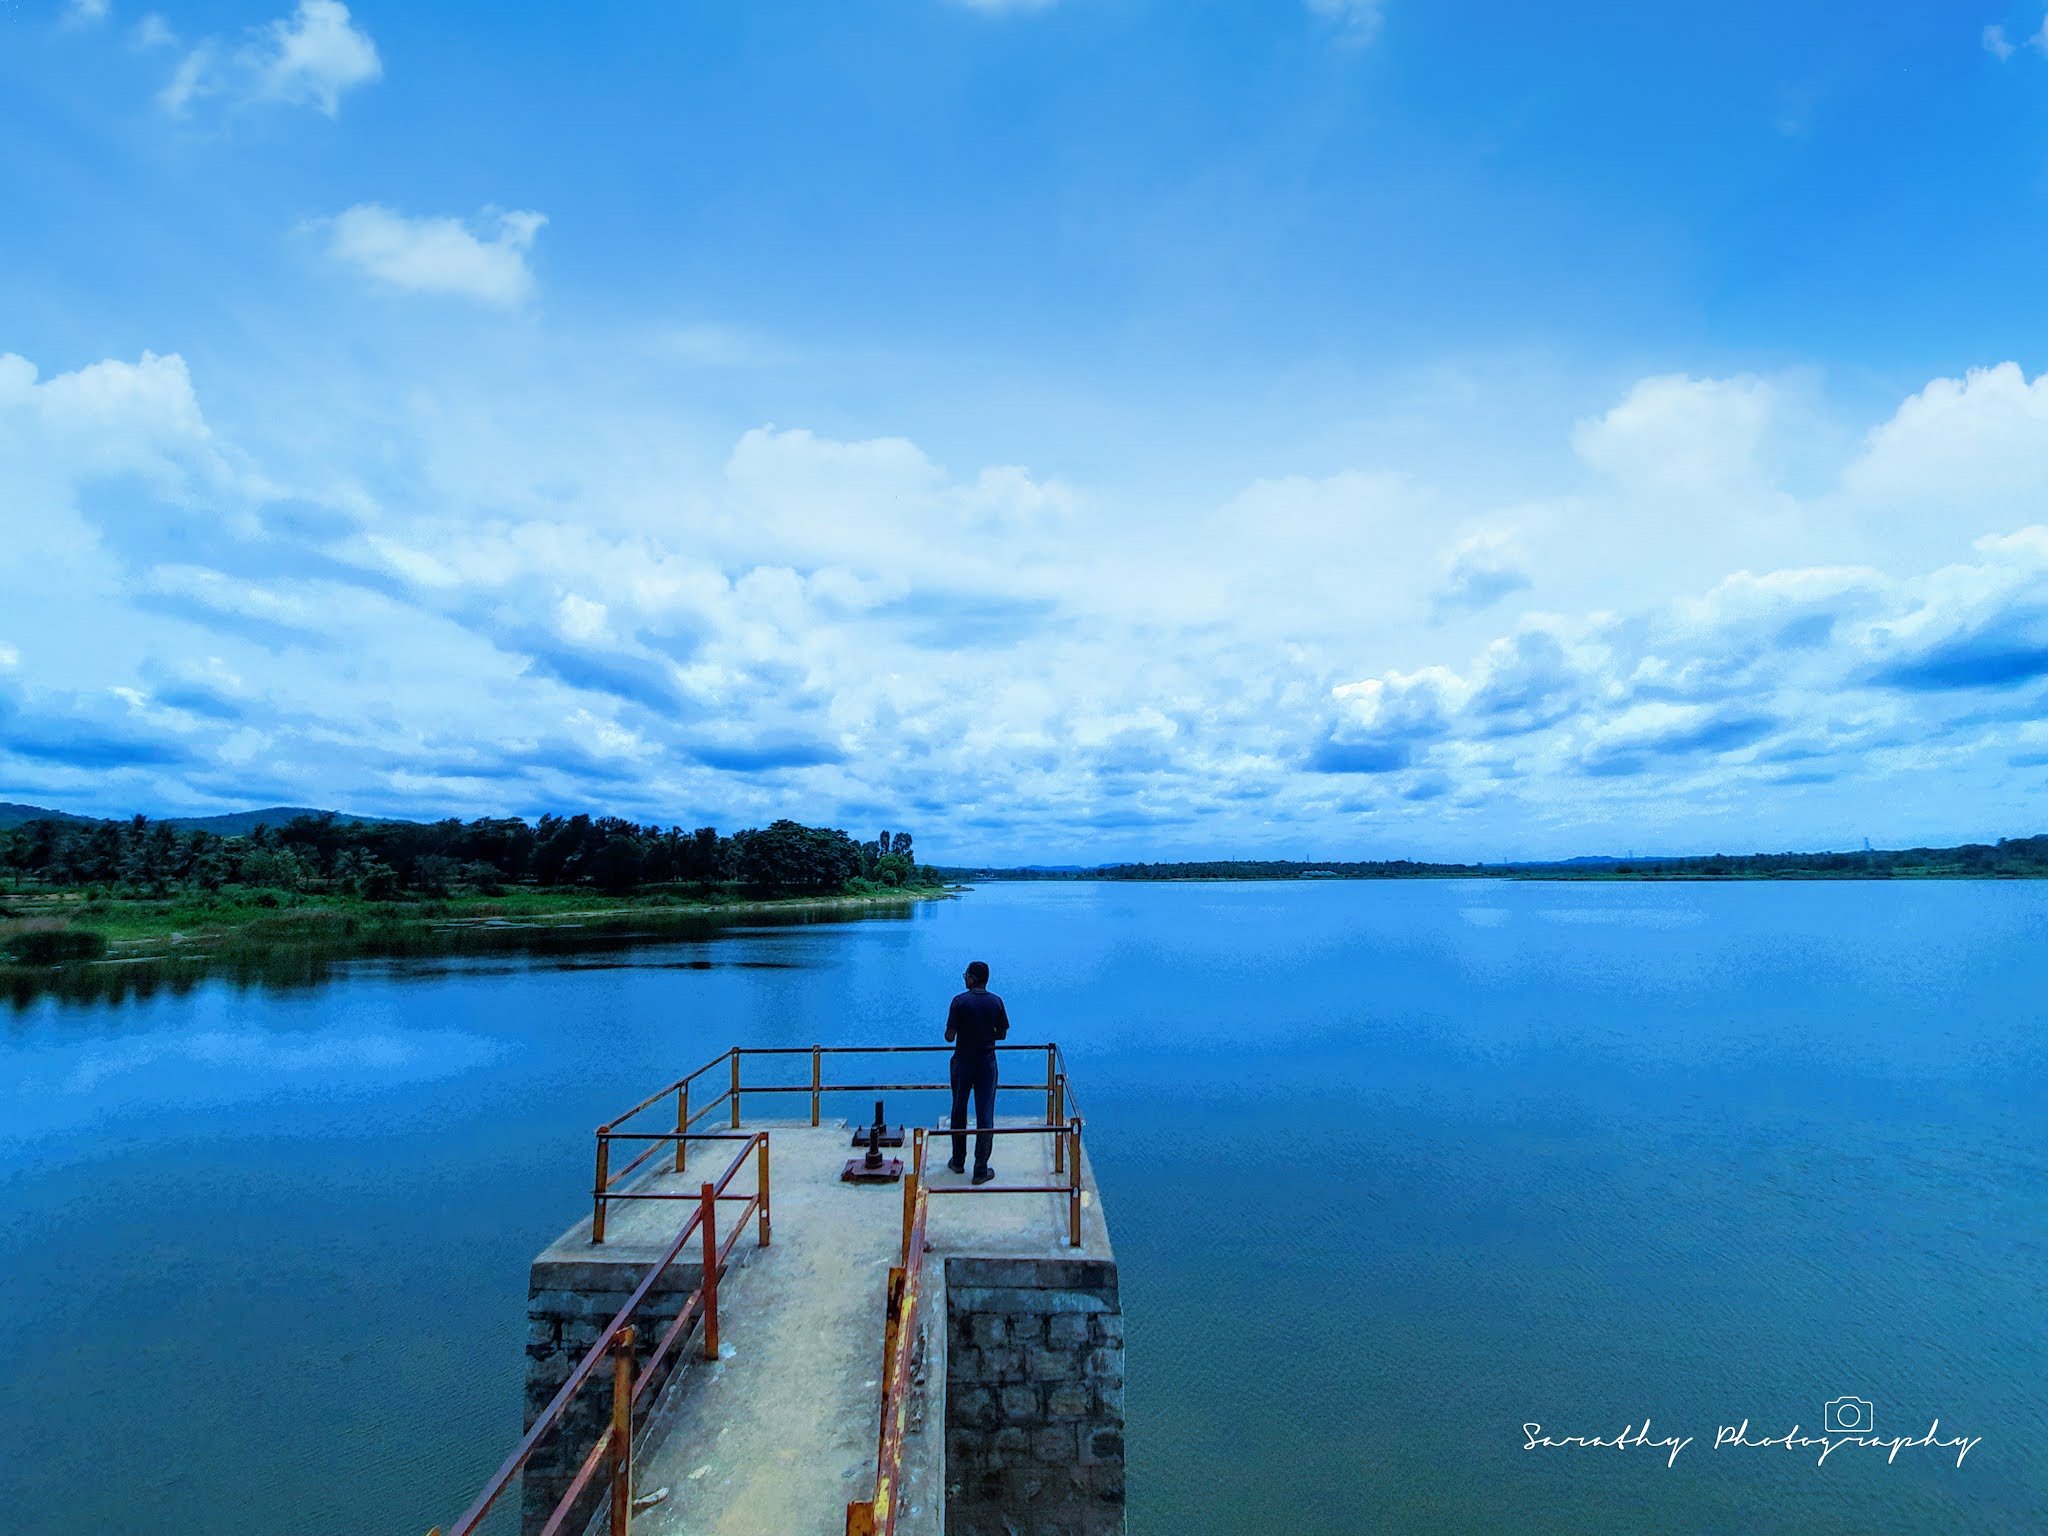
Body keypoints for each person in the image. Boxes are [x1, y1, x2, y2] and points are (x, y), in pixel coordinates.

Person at [944, 959, 1008, 1182]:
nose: (965, 979)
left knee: (958, 1110)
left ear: (972, 978)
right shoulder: (996, 1002)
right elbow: (1002, 1033)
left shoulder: (959, 1002)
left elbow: (949, 1036)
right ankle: (980, 1169)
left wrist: (963, 1029)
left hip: (963, 1062)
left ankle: (958, 1161)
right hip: (987, 1064)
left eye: (966, 975)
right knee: (985, 1114)